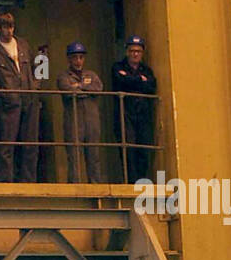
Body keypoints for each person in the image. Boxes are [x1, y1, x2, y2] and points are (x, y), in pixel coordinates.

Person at [0, 10, 41, 182]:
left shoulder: (24, 44)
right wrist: (1, 92)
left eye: (12, 27)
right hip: (8, 103)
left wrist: (36, 86)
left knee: (31, 144)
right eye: (5, 27)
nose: (9, 31)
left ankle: (29, 181)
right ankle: (6, 181)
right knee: (7, 145)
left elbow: (40, 66)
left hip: (29, 100)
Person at [112, 34, 157, 182]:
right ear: (127, 52)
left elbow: (151, 86)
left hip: (143, 114)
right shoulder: (118, 67)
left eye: (138, 51)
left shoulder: (147, 70)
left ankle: (143, 181)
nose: (135, 54)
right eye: (132, 51)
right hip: (125, 113)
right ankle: (131, 182)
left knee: (143, 148)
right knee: (128, 149)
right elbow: (120, 81)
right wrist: (140, 81)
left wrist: (131, 81)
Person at [57, 41, 103, 181]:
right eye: (75, 57)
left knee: (93, 155)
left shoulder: (92, 74)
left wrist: (79, 87)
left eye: (81, 57)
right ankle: (75, 188)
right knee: (74, 156)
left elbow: (98, 88)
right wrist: (85, 88)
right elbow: (68, 90)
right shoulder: (63, 76)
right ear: (69, 59)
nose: (78, 61)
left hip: (92, 121)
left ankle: (96, 186)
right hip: (74, 121)